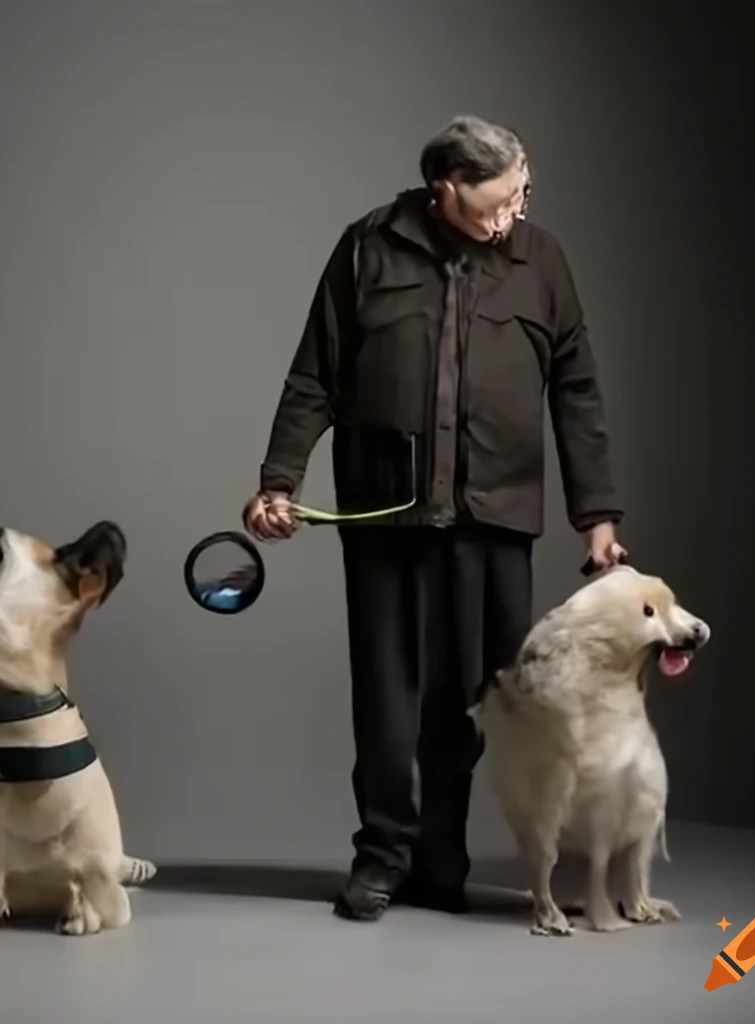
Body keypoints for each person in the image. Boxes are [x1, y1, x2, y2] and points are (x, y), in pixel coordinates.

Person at [242, 116, 627, 922]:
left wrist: (595, 513)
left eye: (520, 196)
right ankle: (381, 859)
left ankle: (441, 864)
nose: (508, 218)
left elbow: (577, 389)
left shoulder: (542, 259)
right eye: (493, 204)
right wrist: (279, 481)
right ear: (443, 190)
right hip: (386, 518)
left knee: (467, 700)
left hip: (495, 520)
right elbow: (314, 376)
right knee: (386, 697)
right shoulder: (366, 249)